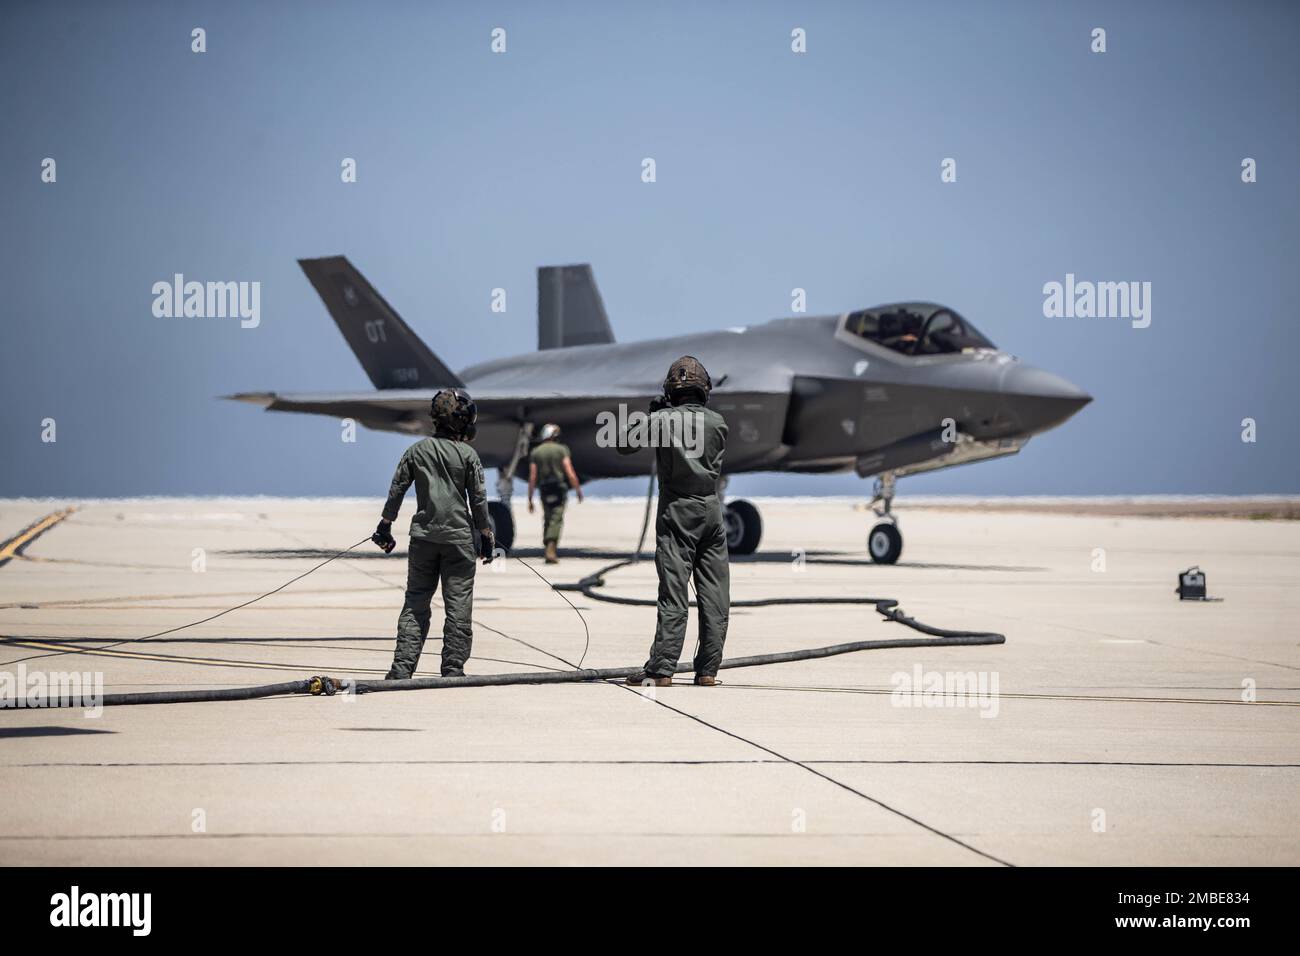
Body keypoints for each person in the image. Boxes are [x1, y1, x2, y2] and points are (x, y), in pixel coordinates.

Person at [619, 356, 730, 687]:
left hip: (678, 510)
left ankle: (663, 668)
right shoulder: (718, 423)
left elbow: (625, 443)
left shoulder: (664, 420)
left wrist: (653, 414)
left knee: (674, 590)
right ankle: (708, 670)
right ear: (704, 390)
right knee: (715, 592)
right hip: (711, 510)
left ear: (671, 390)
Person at [371, 388, 494, 679]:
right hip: (458, 541)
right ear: (462, 420)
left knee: (415, 602)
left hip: (423, 539)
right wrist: (486, 535)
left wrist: (384, 526)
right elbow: (478, 501)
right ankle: (452, 669)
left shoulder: (415, 451)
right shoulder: (468, 455)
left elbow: (396, 491)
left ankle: (401, 669)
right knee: (458, 606)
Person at [527, 423, 583, 564]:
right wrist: (578, 490)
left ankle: (547, 546)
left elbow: (533, 477)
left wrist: (530, 498)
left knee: (547, 517)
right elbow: (569, 472)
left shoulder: (536, 452)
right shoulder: (561, 450)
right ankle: (551, 549)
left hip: (544, 489)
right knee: (556, 518)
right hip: (558, 488)